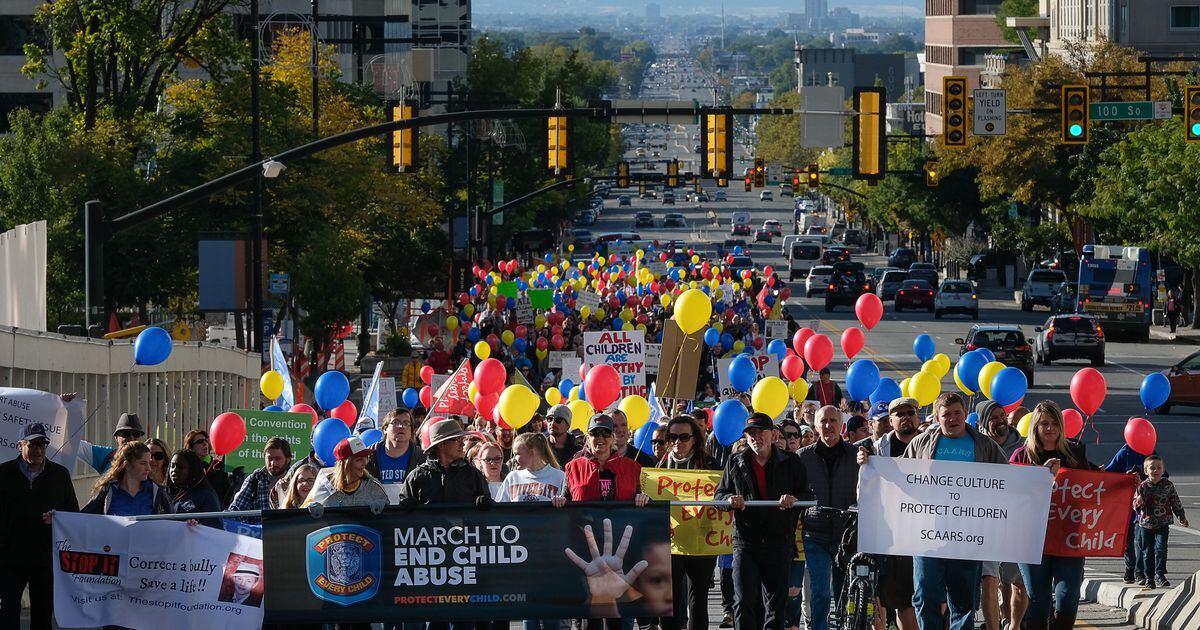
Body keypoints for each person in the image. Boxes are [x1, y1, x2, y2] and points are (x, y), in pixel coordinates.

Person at [895, 392, 1006, 630]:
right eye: (947, 415)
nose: (953, 419)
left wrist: (1042, 474)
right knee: (925, 595)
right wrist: (868, 462)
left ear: (965, 415)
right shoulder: (921, 443)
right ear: (938, 418)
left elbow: (1009, 479)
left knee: (963, 601)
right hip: (927, 536)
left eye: (957, 413)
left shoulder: (985, 445)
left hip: (967, 536)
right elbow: (900, 475)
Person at [714, 413, 812, 630]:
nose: (756, 437)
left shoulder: (791, 461)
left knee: (775, 604)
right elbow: (719, 496)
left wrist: (794, 500)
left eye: (760, 432)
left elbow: (807, 495)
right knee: (743, 601)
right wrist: (729, 500)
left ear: (773, 435)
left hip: (779, 541)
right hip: (746, 542)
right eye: (751, 433)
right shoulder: (735, 461)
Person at [1009, 401, 1092, 630]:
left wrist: (1127, 482)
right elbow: (1010, 492)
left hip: (1068, 538)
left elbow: (1095, 483)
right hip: (1031, 540)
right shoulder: (1021, 455)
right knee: (1038, 598)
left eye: (1055, 423)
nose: (1050, 428)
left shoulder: (1074, 453)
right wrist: (1040, 475)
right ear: (1035, 426)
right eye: (1044, 423)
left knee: (1068, 595)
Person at [0, 422, 79, 630]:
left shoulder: (59, 474)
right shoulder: (3, 473)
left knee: (43, 616)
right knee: (7, 614)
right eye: (32, 444)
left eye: (42, 444)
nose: (38, 449)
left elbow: (73, 512)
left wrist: (57, 518)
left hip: (45, 559)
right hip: (9, 559)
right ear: (20, 446)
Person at [858, 398, 920, 630]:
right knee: (903, 600)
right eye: (899, 414)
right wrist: (865, 466)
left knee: (932, 598)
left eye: (910, 412)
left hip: (928, 533)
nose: (906, 417)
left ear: (918, 416)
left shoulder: (933, 443)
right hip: (895, 536)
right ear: (890, 421)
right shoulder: (876, 450)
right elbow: (863, 494)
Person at [798, 405, 861, 630]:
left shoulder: (856, 455)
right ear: (815, 426)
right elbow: (794, 490)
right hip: (815, 535)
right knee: (820, 592)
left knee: (844, 591)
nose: (828, 425)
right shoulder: (802, 457)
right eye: (823, 421)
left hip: (847, 535)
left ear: (841, 424)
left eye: (833, 421)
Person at [496, 433, 566, 630]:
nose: (514, 459)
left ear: (533, 452)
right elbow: (499, 510)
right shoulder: (513, 477)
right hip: (522, 553)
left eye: (518, 453)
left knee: (551, 609)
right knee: (528, 609)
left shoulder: (559, 476)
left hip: (550, 553)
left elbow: (569, 511)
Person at [658, 415, 720, 630]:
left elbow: (721, 494)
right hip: (670, 540)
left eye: (684, 437)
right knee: (669, 598)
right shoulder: (659, 467)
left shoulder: (710, 464)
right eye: (673, 437)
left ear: (695, 439)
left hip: (701, 539)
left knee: (698, 598)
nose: (678, 441)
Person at [974, 399, 1027, 630]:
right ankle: (995, 625)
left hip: (1016, 524)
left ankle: (1014, 625)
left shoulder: (1024, 447)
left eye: (1002, 416)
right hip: (986, 524)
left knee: (1018, 583)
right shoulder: (976, 447)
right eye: (993, 418)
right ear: (984, 424)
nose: (1000, 421)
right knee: (990, 579)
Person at [1105, 439, 1164, 584]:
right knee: (1127, 541)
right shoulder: (1125, 452)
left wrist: (1144, 479)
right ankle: (1130, 568)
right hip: (1125, 506)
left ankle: (1140, 572)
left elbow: (1162, 476)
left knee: (1140, 542)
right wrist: (1126, 477)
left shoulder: (1151, 453)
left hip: (1143, 510)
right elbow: (1109, 473)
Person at [400, 417, 492, 505]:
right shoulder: (416, 477)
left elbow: (490, 510)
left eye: (462, 439)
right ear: (441, 445)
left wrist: (485, 503)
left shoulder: (473, 475)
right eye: (458, 439)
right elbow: (402, 508)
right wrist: (407, 506)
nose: (463, 444)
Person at [564, 414, 650, 505]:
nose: (600, 438)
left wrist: (642, 497)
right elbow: (564, 501)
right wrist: (559, 501)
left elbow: (641, 497)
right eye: (595, 433)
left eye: (606, 433)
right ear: (588, 437)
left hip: (621, 515)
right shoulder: (573, 467)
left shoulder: (632, 468)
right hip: (584, 515)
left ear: (613, 437)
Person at [1134, 455, 1188, 588]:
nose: (1156, 470)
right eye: (1152, 468)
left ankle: (1160, 574)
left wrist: (1181, 517)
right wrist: (1138, 502)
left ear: (1163, 470)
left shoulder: (1168, 486)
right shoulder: (1142, 486)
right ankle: (1149, 577)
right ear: (1146, 471)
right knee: (1147, 552)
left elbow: (1175, 502)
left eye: (1159, 467)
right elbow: (1134, 505)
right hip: (1146, 524)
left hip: (1163, 523)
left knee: (1161, 549)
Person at [81, 442, 173, 516]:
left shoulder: (157, 492)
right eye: (143, 463)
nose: (148, 468)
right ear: (127, 465)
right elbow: (83, 519)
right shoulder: (107, 491)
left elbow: (173, 522)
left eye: (149, 463)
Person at [304, 436, 389, 508]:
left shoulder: (373, 486)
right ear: (345, 464)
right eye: (359, 459)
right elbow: (304, 512)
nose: (365, 463)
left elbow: (389, 516)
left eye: (366, 457)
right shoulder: (325, 484)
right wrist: (312, 508)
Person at [366, 408, 426, 504]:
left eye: (406, 423)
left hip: (410, 512)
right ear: (385, 429)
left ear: (411, 431)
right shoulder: (367, 457)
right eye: (396, 422)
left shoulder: (423, 459)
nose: (401, 426)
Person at [227, 437, 292, 518]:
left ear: (288, 459)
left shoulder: (296, 480)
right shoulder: (255, 479)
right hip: (257, 526)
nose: (273, 463)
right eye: (269, 458)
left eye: (277, 459)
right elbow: (236, 510)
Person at [165, 449, 222, 528]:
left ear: (191, 470)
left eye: (180, 467)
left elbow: (216, 528)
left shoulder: (206, 495)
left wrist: (197, 526)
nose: (174, 470)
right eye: (172, 466)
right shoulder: (164, 492)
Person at [78, 412, 145, 473]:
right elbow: (76, 444)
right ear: (116, 437)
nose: (131, 438)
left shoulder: (148, 461)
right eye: (126, 434)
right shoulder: (105, 456)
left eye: (136, 434)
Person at [184, 428, 232, 505]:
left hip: (214, 508)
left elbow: (227, 492)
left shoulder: (217, 465)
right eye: (200, 442)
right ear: (191, 447)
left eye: (206, 441)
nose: (205, 443)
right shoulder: (185, 466)